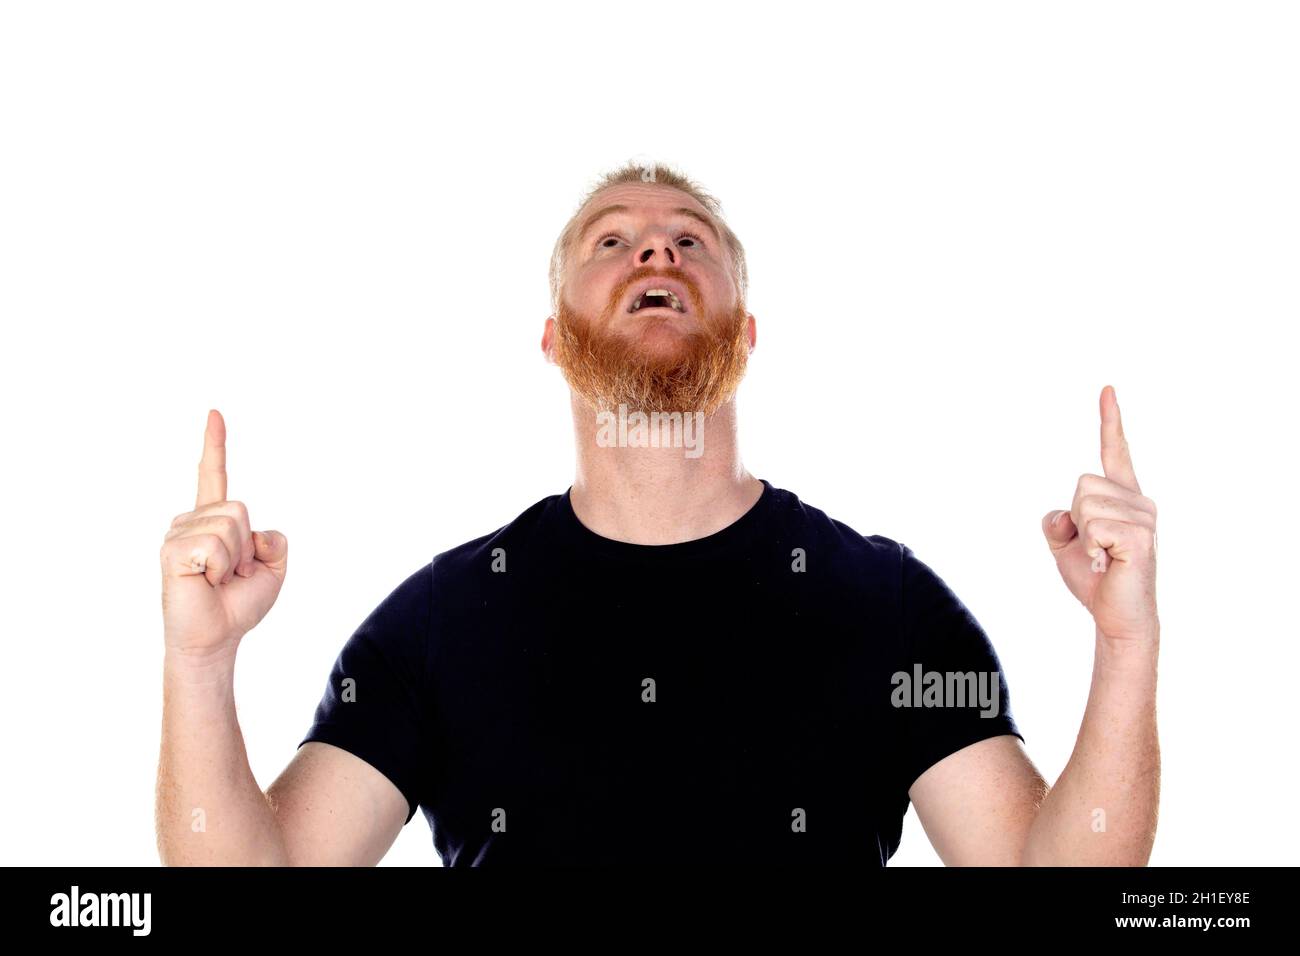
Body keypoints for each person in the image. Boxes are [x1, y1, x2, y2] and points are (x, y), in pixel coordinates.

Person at [155, 161, 1161, 866]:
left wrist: (1124, 644)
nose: (655, 255)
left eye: (690, 240)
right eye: (614, 241)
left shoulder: (884, 602)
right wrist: (199, 664)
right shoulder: (441, 620)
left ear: (746, 330)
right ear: (553, 339)